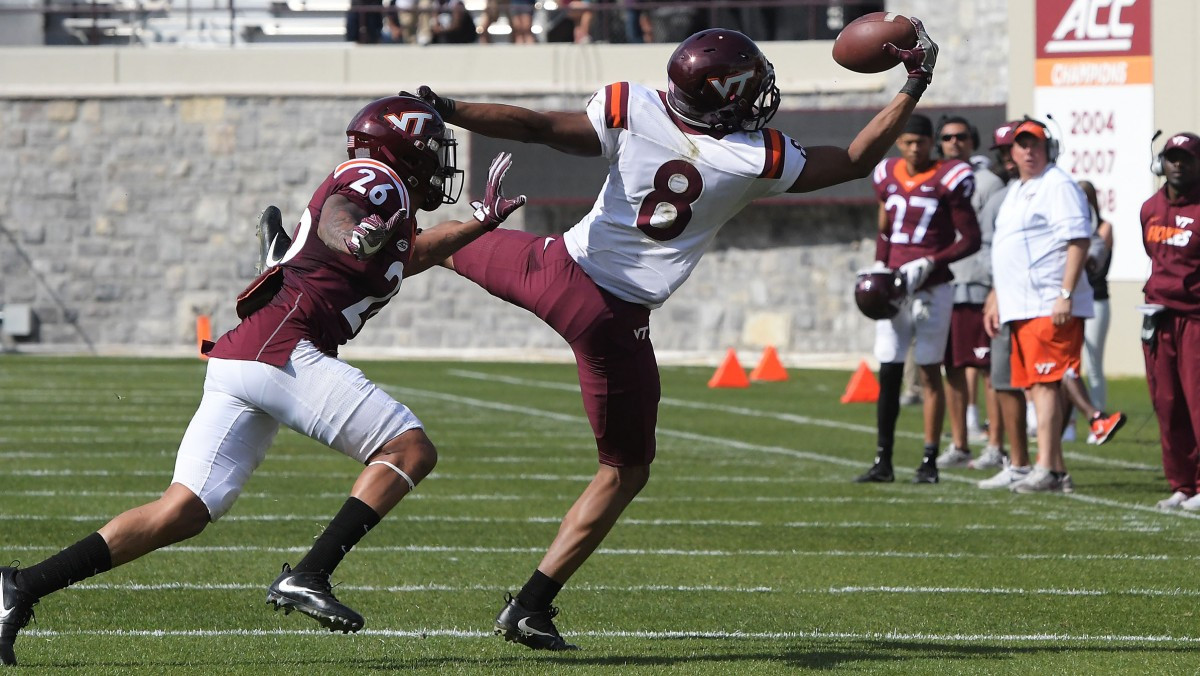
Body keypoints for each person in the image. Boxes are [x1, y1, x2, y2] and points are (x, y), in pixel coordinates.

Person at [412, 23, 939, 649]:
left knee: (446, 242)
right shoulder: (753, 158)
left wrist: (446, 108)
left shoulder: (631, 105)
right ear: (731, 94)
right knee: (625, 471)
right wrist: (913, 84)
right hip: (611, 317)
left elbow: (535, 127)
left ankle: (320, 265)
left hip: (552, 268)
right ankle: (531, 604)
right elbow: (854, 160)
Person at [0, 95, 527, 667]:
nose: (441, 165)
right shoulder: (377, 178)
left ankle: (20, 587)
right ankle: (311, 573)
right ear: (406, 149)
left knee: (183, 509)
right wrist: (357, 235)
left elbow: (411, 252)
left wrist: (477, 223)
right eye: (432, 151)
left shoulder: (394, 211)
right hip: (283, 346)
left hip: (245, 354)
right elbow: (340, 214)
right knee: (409, 448)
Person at [854, 113, 981, 485]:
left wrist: (932, 261)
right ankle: (883, 459)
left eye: (921, 143)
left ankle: (928, 459)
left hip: (932, 287)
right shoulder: (886, 174)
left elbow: (969, 238)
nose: (914, 149)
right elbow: (884, 229)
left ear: (932, 143)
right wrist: (880, 264)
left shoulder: (950, 177)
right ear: (899, 143)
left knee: (928, 370)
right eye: (908, 142)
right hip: (894, 288)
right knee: (889, 369)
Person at [985, 118, 1095, 494]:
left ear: (1047, 147)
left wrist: (1064, 294)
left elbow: (1078, 240)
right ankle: (1056, 470)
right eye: (1022, 145)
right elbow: (1008, 250)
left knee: (1048, 385)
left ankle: (1046, 467)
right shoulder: (1019, 188)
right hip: (1022, 305)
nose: (1029, 151)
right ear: (1011, 153)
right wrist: (997, 294)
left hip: (1047, 302)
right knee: (1037, 386)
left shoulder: (1057, 184)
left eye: (1035, 144)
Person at [932, 115, 1004, 471]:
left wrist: (994, 284)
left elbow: (994, 236)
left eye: (961, 137)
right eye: (947, 138)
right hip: (945, 284)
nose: (955, 142)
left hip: (977, 284)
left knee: (988, 368)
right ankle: (959, 443)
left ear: (972, 141)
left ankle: (995, 445)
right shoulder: (933, 179)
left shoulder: (988, 182)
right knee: (953, 369)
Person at [1139, 132, 1200, 510]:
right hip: (1159, 318)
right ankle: (1182, 484)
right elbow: (1154, 256)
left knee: (1198, 401)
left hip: (1195, 318)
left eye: (1187, 158)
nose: (1178, 164)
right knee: (1166, 401)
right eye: (1172, 157)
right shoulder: (1150, 207)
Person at [1078, 180, 1114, 419]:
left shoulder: (1103, 227)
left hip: (1096, 299)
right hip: (1074, 301)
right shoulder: (1071, 228)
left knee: (1093, 365)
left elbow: (1093, 265)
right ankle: (1067, 423)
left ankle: (1099, 416)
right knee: (1068, 366)